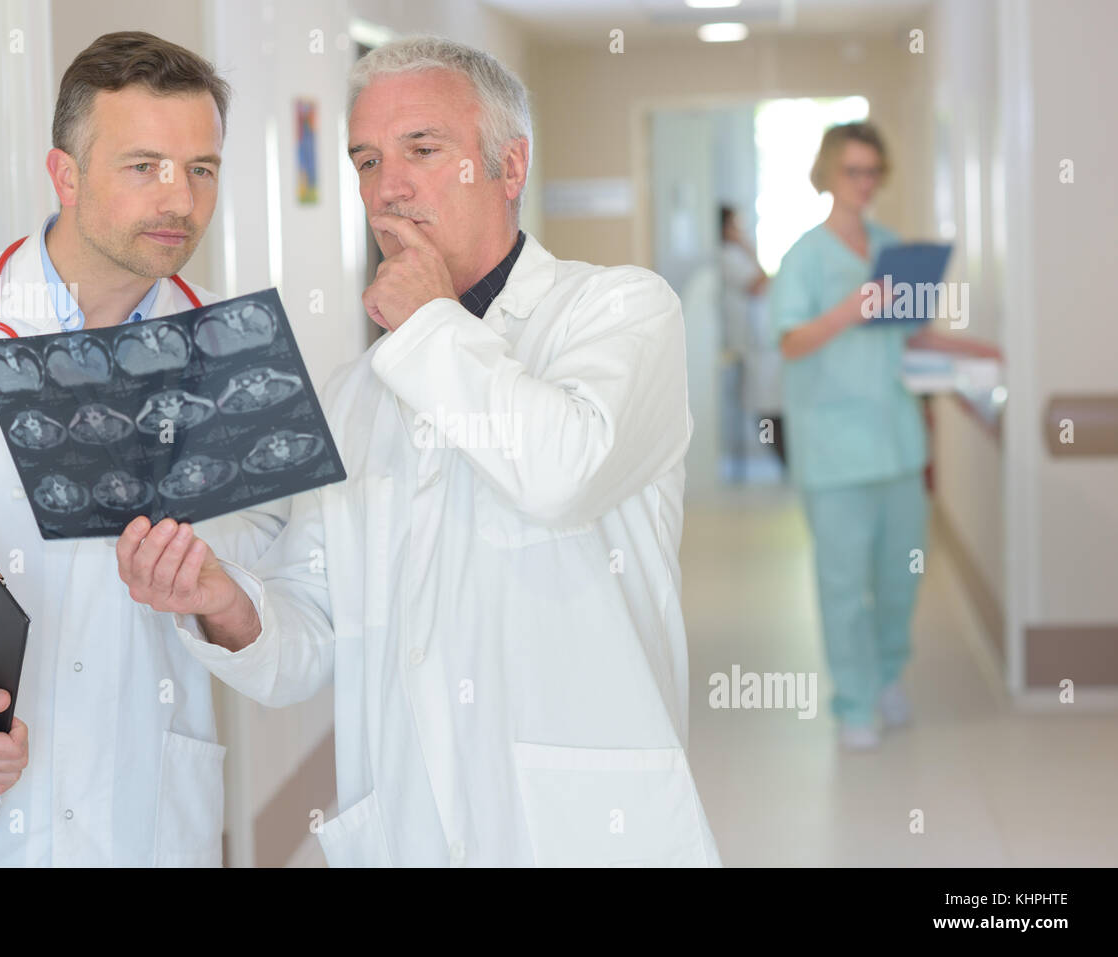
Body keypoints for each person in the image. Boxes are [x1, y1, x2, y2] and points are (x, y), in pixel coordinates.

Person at [118, 36, 721, 867]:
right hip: (410, 829)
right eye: (366, 160)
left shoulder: (621, 312)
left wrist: (431, 322)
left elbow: (561, 471)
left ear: (510, 167)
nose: (387, 186)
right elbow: (313, 633)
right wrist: (225, 599)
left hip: (583, 831)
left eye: (423, 151)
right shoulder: (357, 392)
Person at [0, 31, 283, 866]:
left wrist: (221, 595)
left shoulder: (236, 359)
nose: (178, 198)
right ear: (64, 175)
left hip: (143, 818)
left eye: (201, 169)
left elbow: (280, 592)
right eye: (144, 166)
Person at [767, 122, 1000, 751]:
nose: (864, 183)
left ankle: (889, 674)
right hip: (834, 448)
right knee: (843, 585)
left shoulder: (895, 248)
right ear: (828, 174)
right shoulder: (805, 257)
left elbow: (908, 334)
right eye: (853, 171)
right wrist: (852, 308)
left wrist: (970, 348)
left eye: (873, 172)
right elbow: (791, 341)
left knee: (901, 577)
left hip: (897, 443)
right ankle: (853, 701)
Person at [717, 205, 779, 477]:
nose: (739, 231)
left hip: (757, 344)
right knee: (763, 407)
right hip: (749, 345)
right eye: (735, 225)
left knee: (766, 405)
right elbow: (759, 283)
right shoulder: (729, 255)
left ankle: (779, 458)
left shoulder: (733, 255)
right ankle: (778, 456)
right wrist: (749, 249)